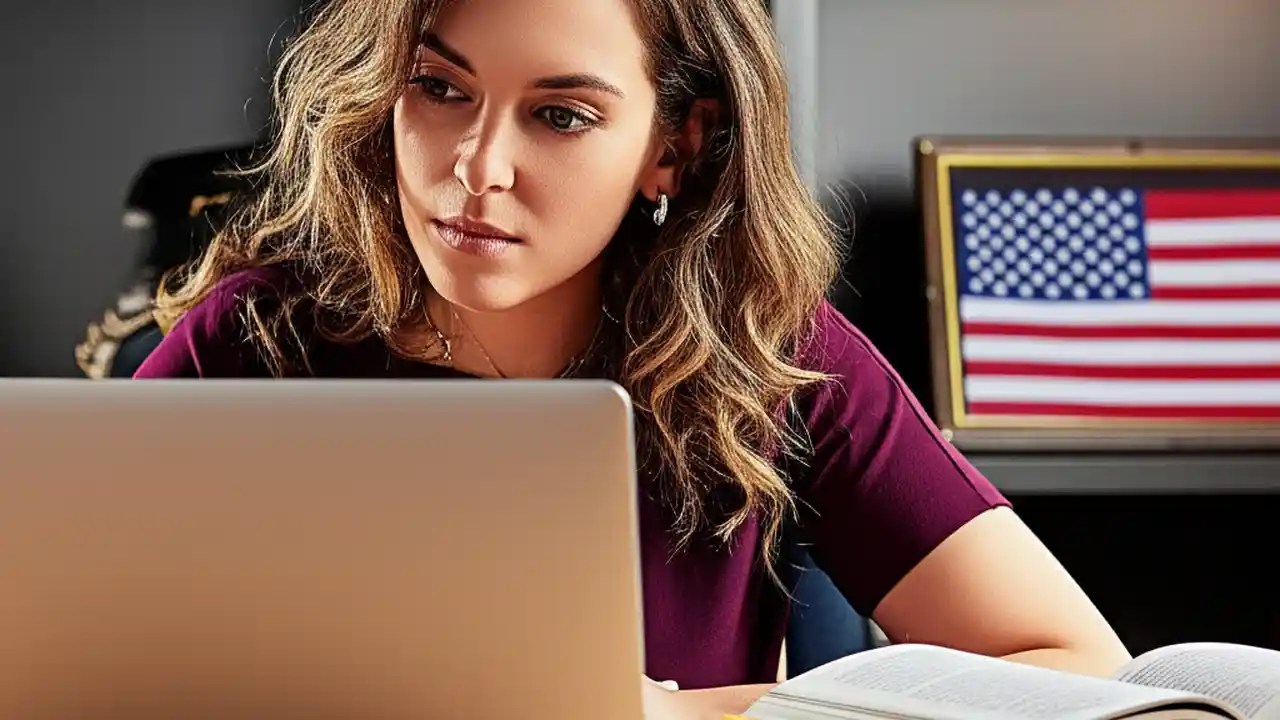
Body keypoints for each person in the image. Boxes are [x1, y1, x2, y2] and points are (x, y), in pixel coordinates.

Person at [134, 0, 1133, 716]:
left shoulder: (776, 360)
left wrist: (682, 717)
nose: (475, 166)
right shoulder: (254, 339)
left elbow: (1072, 661)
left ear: (674, 146)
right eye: (438, 88)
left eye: (559, 115)